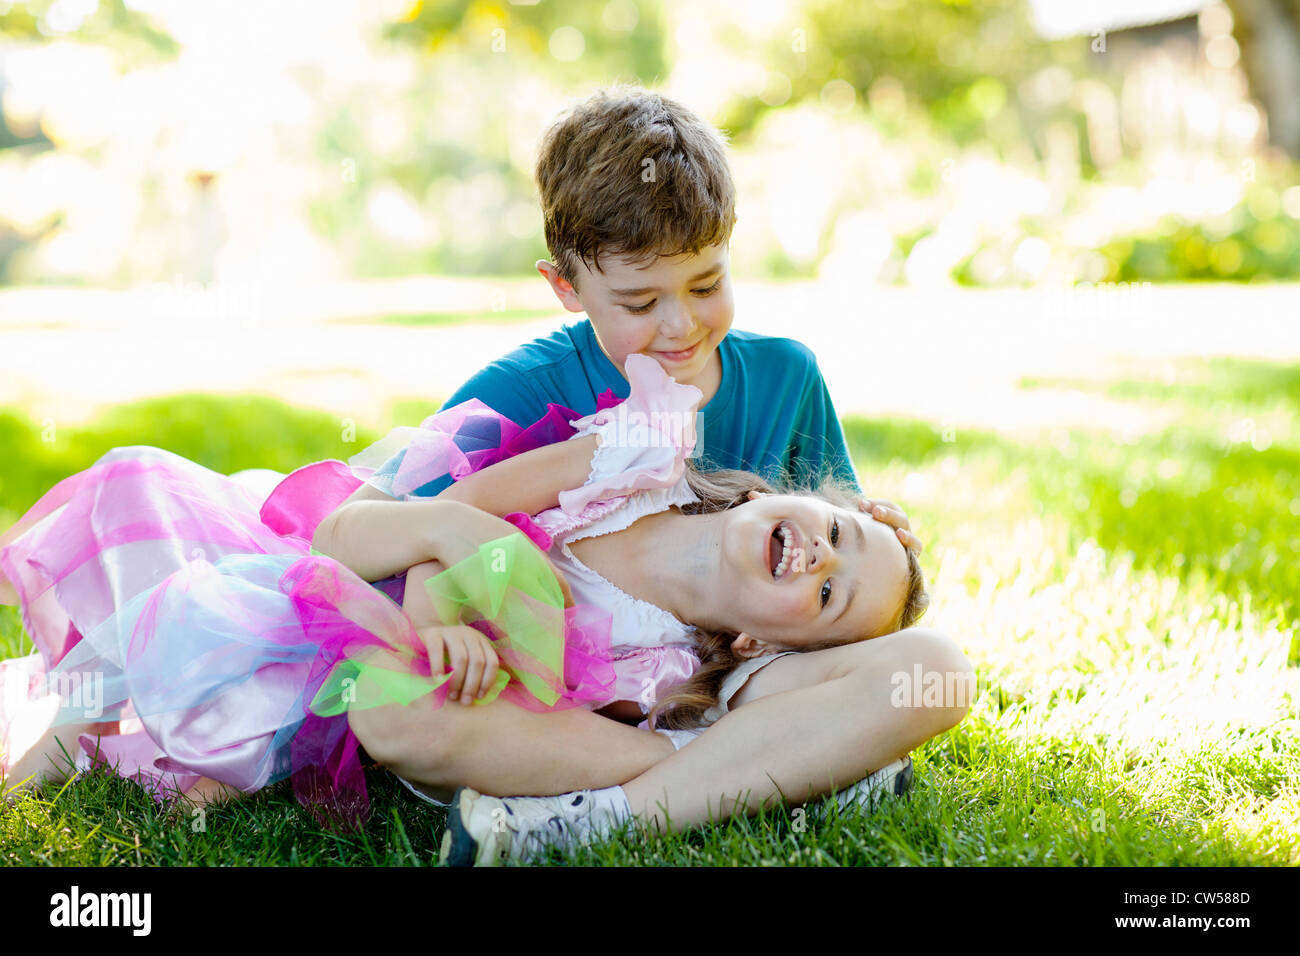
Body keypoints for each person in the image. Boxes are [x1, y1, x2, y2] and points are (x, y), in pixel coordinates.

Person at [0, 355, 947, 833]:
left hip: (377, 679)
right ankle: (66, 733)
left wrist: (449, 650)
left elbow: (535, 701)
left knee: (235, 705)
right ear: (796, 497)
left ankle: (113, 741)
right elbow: (459, 516)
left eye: (830, 593)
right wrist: (430, 614)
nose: (817, 557)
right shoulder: (631, 463)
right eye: (839, 534)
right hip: (347, 586)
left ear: (758, 647)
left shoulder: (659, 666)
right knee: (184, 604)